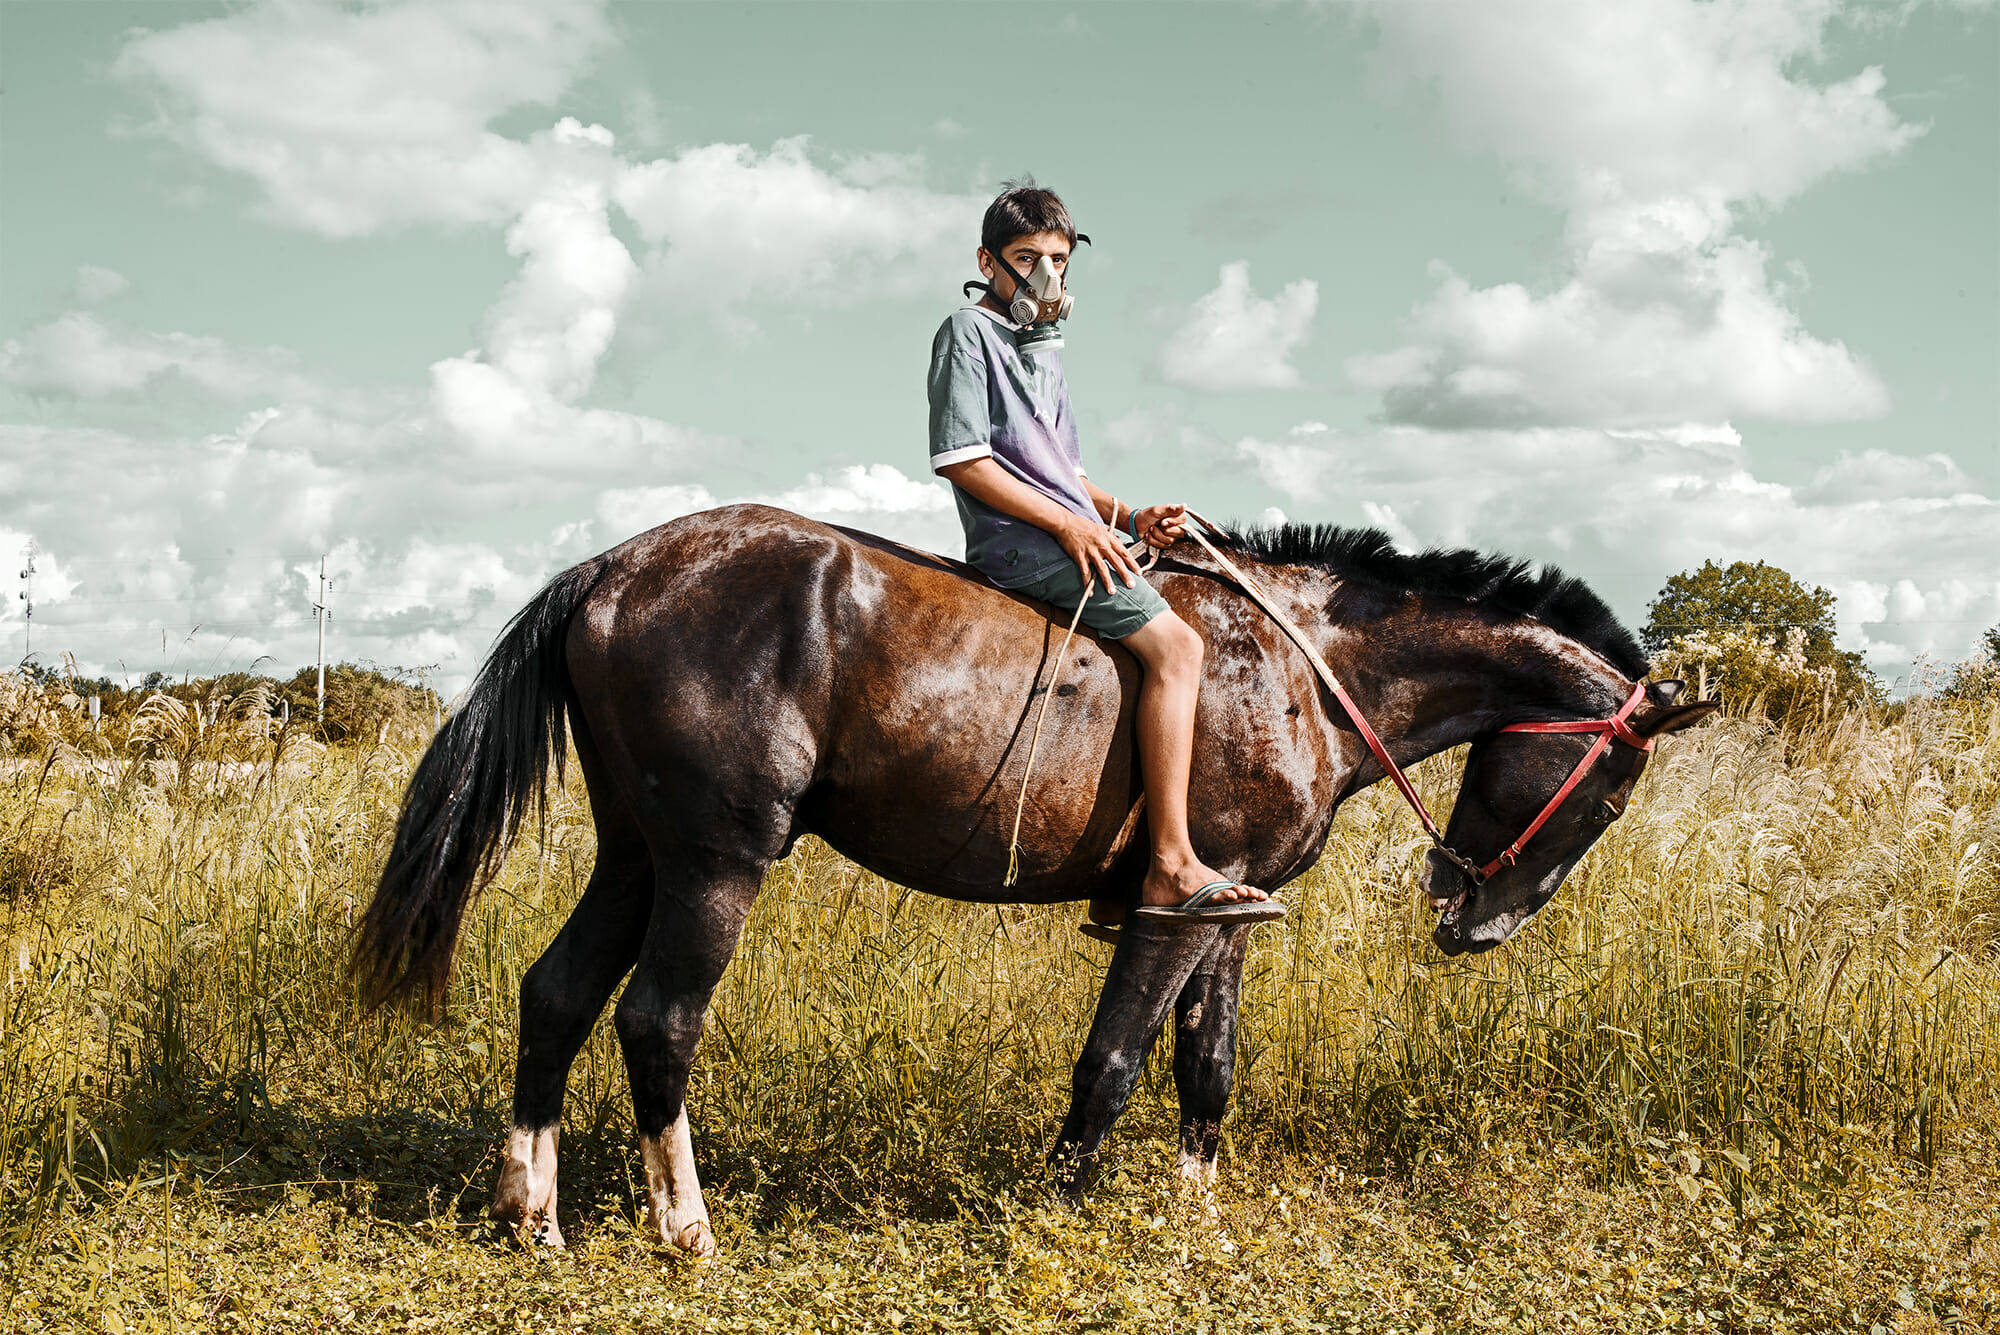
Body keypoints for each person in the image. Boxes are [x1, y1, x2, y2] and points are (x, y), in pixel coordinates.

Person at [927, 180, 1283, 929]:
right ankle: (1171, 863)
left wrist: (1129, 516)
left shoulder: (1044, 348)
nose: (1045, 274)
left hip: (1066, 530)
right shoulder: (967, 332)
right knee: (1180, 649)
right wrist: (1069, 528)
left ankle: (1121, 867)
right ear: (987, 262)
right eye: (1027, 257)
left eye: (1058, 259)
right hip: (1020, 544)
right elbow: (964, 459)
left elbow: (1067, 476)